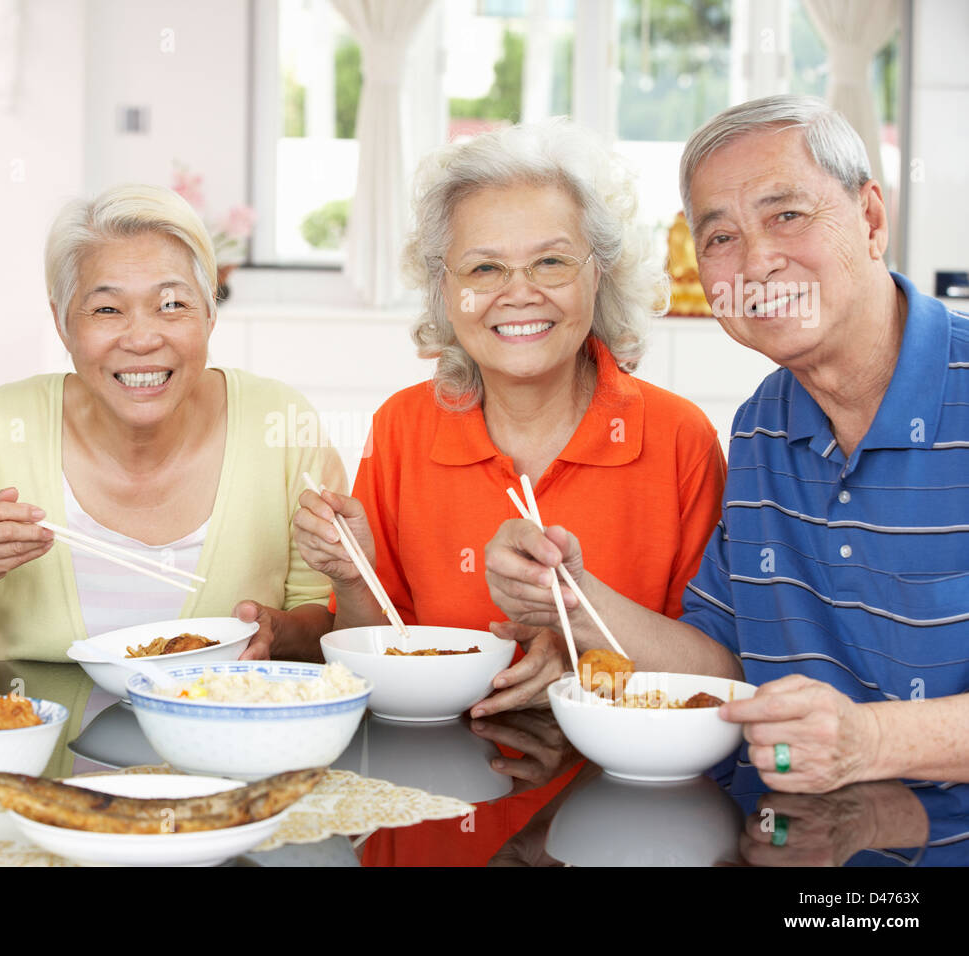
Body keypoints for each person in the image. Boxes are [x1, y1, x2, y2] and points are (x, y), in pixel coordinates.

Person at [485, 95, 969, 794]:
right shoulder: (762, 426)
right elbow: (722, 665)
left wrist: (873, 742)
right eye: (720, 238)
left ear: (870, 219)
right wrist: (569, 596)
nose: (758, 262)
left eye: (787, 216)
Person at [292, 120, 727, 864]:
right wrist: (346, 571)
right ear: (446, 290)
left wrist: (582, 644)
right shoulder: (402, 427)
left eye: (551, 261)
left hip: (633, 825)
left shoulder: (680, 438)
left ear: (601, 273)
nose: (516, 295)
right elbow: (372, 650)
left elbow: (719, 676)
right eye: (483, 269)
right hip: (420, 813)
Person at [0, 184, 345, 663]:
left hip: (224, 733)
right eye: (107, 308)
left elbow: (330, 628)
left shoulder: (281, 424)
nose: (143, 338)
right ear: (63, 322)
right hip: (46, 735)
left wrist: (277, 632)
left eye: (172, 304)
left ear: (210, 312)